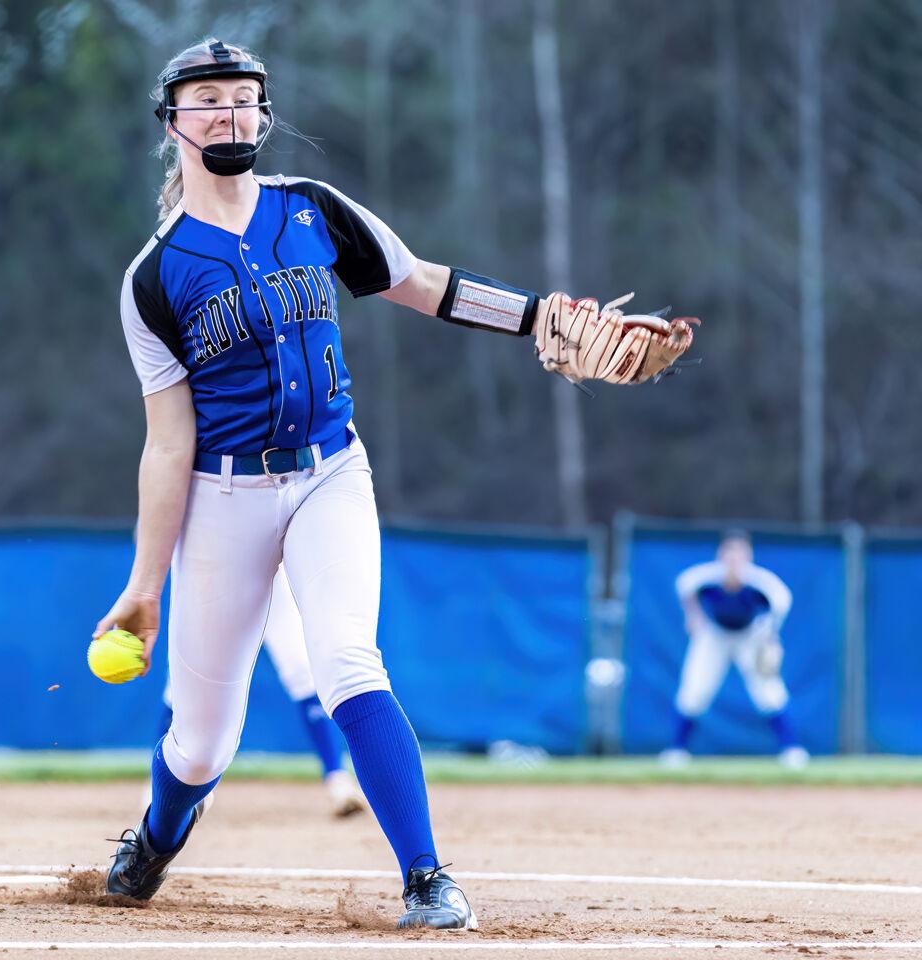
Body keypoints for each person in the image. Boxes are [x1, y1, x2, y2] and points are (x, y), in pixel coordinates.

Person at [96, 37, 693, 930]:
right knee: (201, 738)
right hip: (224, 499)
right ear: (172, 122)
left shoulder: (312, 211)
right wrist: (145, 587)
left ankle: (425, 877)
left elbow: (425, 284)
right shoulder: (155, 279)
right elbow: (166, 446)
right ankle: (155, 835)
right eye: (210, 98)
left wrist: (542, 317)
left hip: (331, 474)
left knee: (346, 660)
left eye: (247, 97)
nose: (232, 112)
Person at [148, 565, 365, 818]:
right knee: (181, 686)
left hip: (272, 576)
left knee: (302, 671)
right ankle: (160, 787)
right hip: (211, 577)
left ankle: (337, 778)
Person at [658, 532, 809, 770]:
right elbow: (684, 586)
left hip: (750, 635)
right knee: (694, 691)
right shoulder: (707, 576)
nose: (734, 559)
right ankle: (677, 750)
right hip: (714, 635)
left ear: (749, 557)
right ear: (721, 555)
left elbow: (781, 601)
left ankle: (790, 749)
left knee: (769, 692)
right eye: (730, 552)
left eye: (740, 553)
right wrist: (694, 617)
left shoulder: (759, 582)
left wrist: (770, 634)